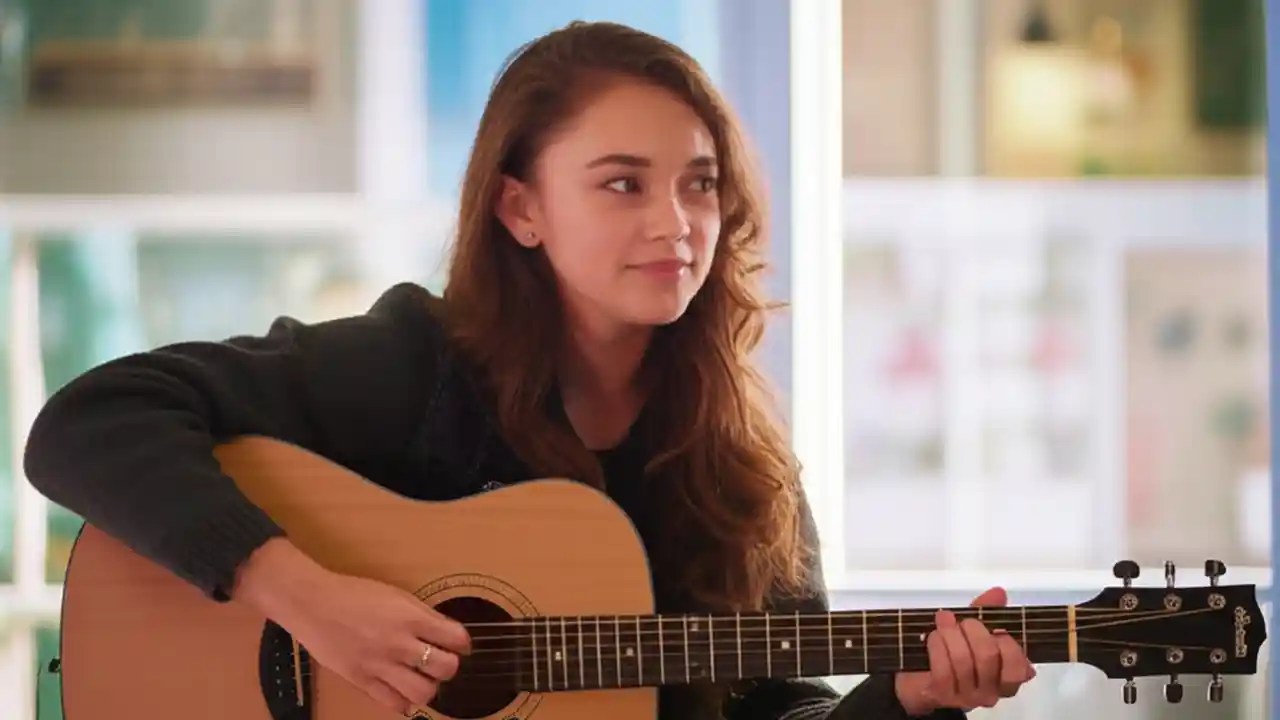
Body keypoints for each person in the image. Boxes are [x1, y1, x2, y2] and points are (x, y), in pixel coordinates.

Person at [23, 21, 1034, 720]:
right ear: (520, 210)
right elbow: (85, 424)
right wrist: (306, 596)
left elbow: (779, 704)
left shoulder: (740, 467)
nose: (674, 223)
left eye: (698, 186)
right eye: (620, 185)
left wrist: (903, 698)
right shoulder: (409, 366)